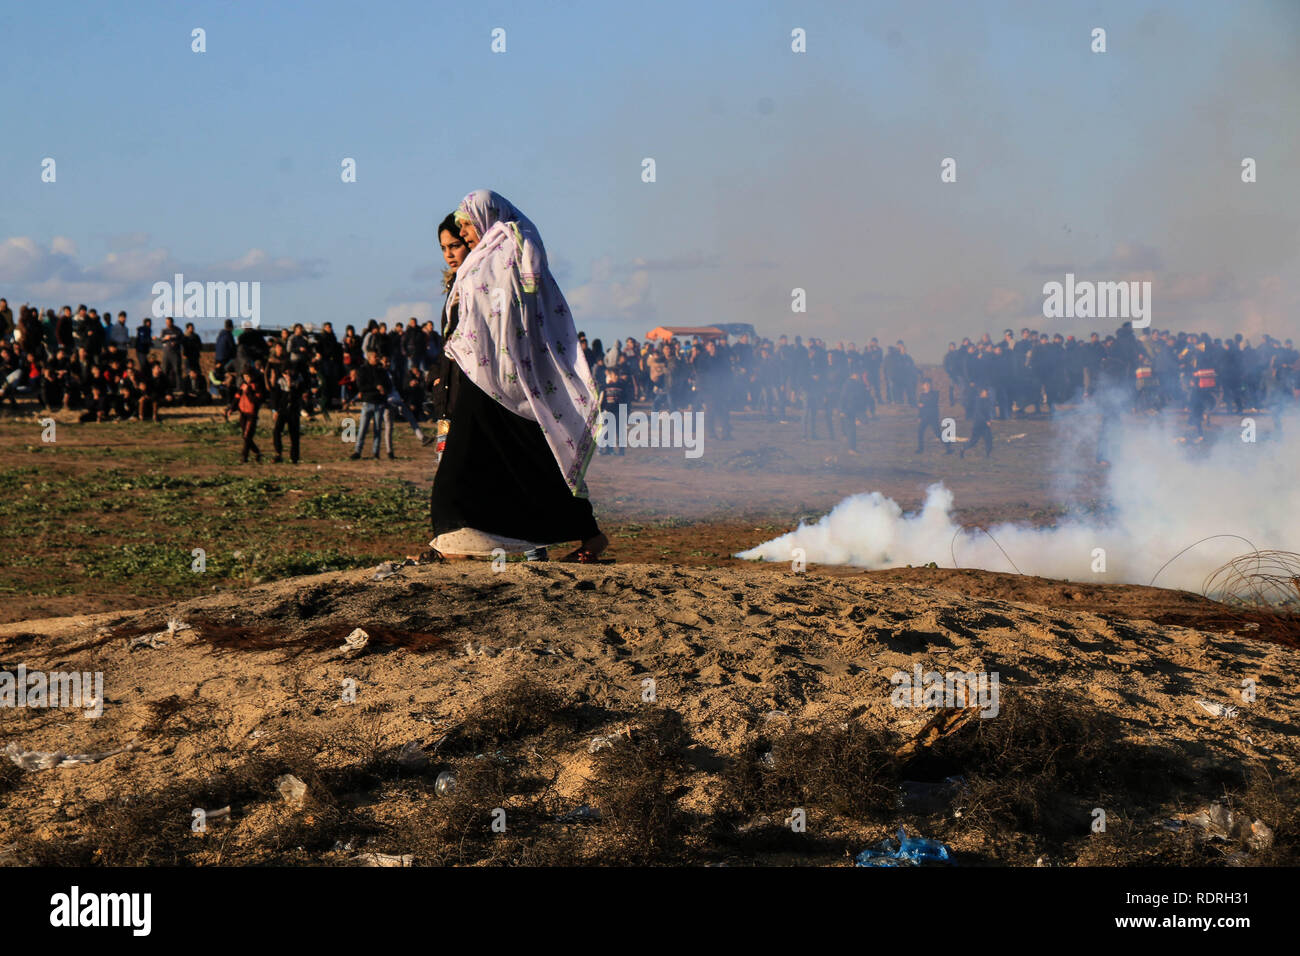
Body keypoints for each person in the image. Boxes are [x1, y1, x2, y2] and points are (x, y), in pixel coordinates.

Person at [428, 189, 607, 563]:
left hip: (511, 374)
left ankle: (464, 537)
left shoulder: (513, 250)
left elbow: (515, 310)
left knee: (515, 456)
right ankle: (473, 538)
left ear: (485, 216)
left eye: (466, 226)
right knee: (514, 459)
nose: (463, 235)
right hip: (481, 373)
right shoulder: (483, 256)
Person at [225, 368, 266, 462]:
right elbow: (237, 397)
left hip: (252, 414)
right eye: (245, 376)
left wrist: (249, 391)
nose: (246, 378)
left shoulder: (257, 386)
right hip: (243, 412)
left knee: (247, 436)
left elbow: (256, 400)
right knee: (245, 436)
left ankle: (244, 456)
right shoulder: (243, 385)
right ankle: (257, 452)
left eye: (248, 376)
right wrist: (231, 408)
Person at [916, 379, 951, 454]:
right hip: (924, 417)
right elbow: (920, 407)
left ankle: (948, 446)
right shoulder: (922, 395)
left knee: (938, 433)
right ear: (923, 386)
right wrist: (919, 416)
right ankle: (920, 449)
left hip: (933, 417)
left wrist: (923, 405)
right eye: (926, 384)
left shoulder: (935, 394)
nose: (928, 386)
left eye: (929, 384)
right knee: (920, 432)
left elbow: (932, 403)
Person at [961, 387, 994, 458]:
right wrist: (986, 421)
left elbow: (988, 411)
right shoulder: (978, 401)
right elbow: (979, 413)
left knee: (989, 440)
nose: (986, 392)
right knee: (973, 441)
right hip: (978, 425)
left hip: (985, 424)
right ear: (981, 393)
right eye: (985, 391)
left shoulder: (987, 400)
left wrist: (990, 419)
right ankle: (963, 449)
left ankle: (988, 455)